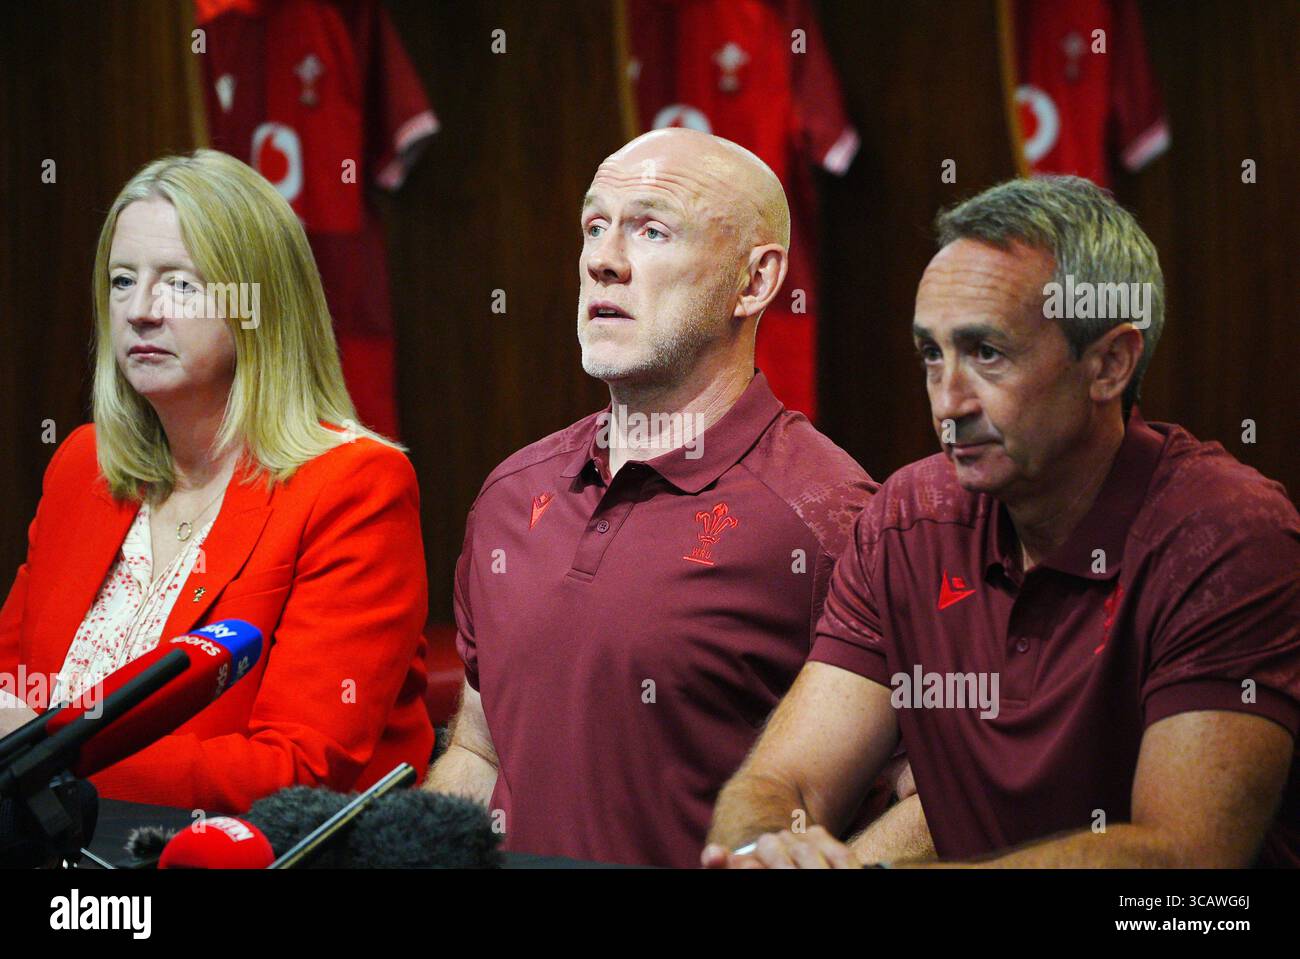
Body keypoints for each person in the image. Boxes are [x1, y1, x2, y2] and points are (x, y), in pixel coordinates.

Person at [704, 175, 1300, 868]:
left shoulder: (1229, 535)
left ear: (1109, 363)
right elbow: (788, 778)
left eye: (987, 353)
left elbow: (1182, 866)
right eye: (933, 353)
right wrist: (761, 848)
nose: (948, 401)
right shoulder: (907, 518)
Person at [423, 128, 887, 867]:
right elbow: (481, 752)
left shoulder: (832, 516)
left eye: (650, 229)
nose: (603, 259)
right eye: (595, 226)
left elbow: (936, 796)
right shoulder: (512, 493)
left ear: (755, 280)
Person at [0, 150, 434, 812]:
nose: (140, 310)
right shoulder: (83, 466)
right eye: (121, 281)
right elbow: (10, 686)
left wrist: (44, 759)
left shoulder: (355, 485)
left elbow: (296, 769)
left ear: (258, 305)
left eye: (179, 283)